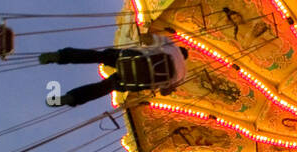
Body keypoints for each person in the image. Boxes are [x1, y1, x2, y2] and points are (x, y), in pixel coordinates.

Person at [38, 36, 189, 107]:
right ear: (185, 58)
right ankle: (71, 98)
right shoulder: (182, 75)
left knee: (100, 56)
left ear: (180, 50)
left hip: (134, 59)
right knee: (106, 87)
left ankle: (61, 56)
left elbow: (148, 38)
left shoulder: (171, 45)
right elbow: (164, 92)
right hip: (138, 80)